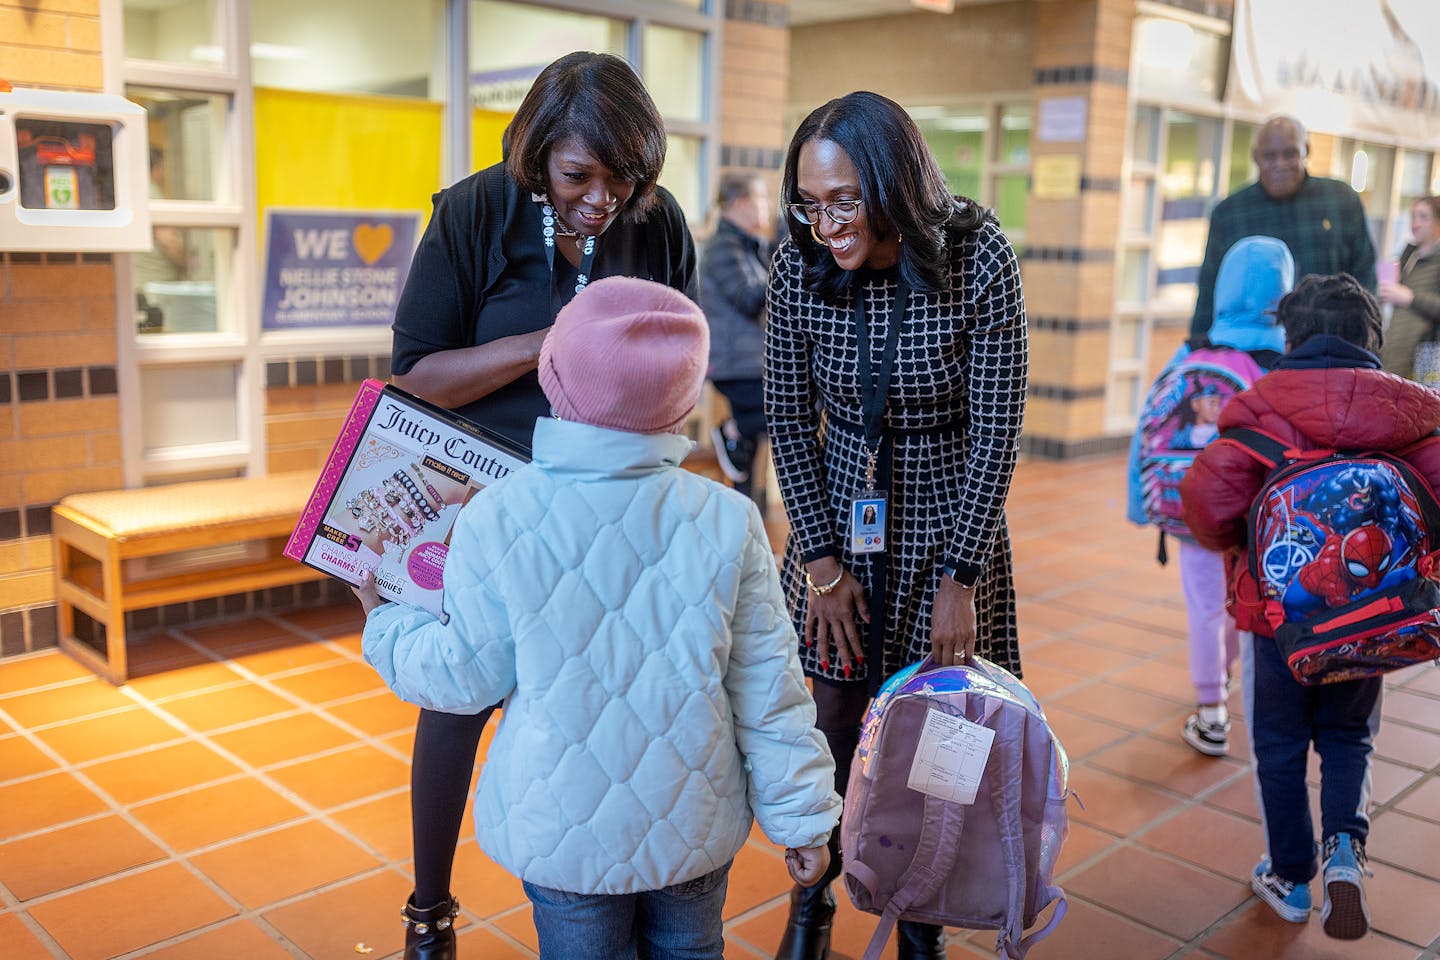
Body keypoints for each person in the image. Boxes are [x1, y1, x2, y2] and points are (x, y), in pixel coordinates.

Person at [359, 276, 841, 960]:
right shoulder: (729, 519)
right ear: (685, 396)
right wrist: (803, 820)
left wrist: (384, 623)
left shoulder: (500, 514)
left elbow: (461, 677)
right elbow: (771, 687)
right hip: (692, 826)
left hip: (564, 834)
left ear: (556, 376)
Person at [383, 51, 697, 960]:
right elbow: (420, 375)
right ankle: (430, 912)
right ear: (536, 153)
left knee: (602, 700)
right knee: (457, 698)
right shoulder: (475, 212)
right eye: (579, 177)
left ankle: (605, 898)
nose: (603, 199)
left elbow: (671, 364)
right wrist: (547, 343)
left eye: (625, 179)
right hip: (487, 500)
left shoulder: (657, 221)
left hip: (607, 498)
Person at [764, 91, 1027, 960]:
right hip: (838, 511)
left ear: (892, 181)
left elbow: (997, 426)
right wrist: (824, 570)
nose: (825, 222)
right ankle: (815, 900)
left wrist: (961, 577)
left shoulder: (976, 251)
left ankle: (923, 922)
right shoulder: (799, 260)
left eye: (843, 199)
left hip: (950, 512)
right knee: (829, 719)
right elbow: (785, 411)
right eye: (809, 201)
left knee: (937, 734)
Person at [1180, 273, 1440, 940]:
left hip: (1280, 624)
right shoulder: (1411, 417)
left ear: (1291, 339)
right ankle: (1346, 852)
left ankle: (1291, 877)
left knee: (1279, 744)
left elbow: (1206, 507)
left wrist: (1241, 548)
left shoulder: (1260, 411)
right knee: (1350, 736)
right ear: (1371, 339)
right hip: (1374, 616)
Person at [1125, 235, 1293, 758]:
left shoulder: (1191, 352)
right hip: (1253, 513)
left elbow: (1148, 430)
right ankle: (1224, 675)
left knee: (1203, 602)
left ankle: (1211, 709)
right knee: (1240, 596)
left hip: (1191, 506)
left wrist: (1140, 502)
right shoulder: (1279, 362)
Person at [1189, 115, 1375, 344]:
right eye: (1270, 156)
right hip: (1252, 353)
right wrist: (1198, 346)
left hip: (1327, 346)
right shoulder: (1230, 213)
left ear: (1306, 150)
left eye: (1290, 154)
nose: (1280, 164)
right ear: (1255, 157)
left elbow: (1365, 277)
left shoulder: (1341, 201)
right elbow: (1209, 289)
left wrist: (1366, 342)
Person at [700, 171, 773, 500]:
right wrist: (783, 273)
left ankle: (750, 522)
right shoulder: (722, 246)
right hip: (734, 364)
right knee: (784, 412)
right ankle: (731, 430)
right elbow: (747, 297)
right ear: (741, 203)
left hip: (751, 361)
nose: (766, 207)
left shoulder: (748, 246)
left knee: (748, 458)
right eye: (761, 199)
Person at [1378, 195, 1440, 380]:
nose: (1416, 223)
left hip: (1424, 356)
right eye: (1413, 216)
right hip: (1395, 348)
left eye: (1423, 217)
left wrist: (1410, 298)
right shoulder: (1409, 254)